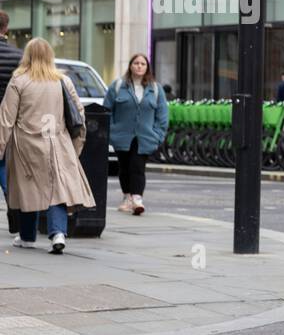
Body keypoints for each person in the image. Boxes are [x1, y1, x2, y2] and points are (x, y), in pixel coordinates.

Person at [0, 39, 96, 253]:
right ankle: (58, 233)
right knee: (57, 189)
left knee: (28, 189)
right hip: (57, 141)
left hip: (26, 142)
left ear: (28, 56)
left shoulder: (19, 81)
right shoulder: (63, 80)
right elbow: (79, 114)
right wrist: (76, 145)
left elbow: (6, 118)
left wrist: (0, 146)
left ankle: (27, 237)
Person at [105, 53, 169, 216]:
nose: (139, 66)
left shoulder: (155, 89)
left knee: (137, 167)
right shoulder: (118, 86)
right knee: (124, 167)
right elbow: (107, 110)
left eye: (143, 64)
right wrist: (111, 131)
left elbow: (162, 115)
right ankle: (127, 196)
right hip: (121, 135)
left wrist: (158, 135)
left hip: (145, 137)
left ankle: (137, 199)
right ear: (130, 66)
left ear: (147, 67)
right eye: (136, 63)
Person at [0, 11, 21, 228]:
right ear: (6, 28)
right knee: (6, 169)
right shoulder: (18, 56)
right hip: (8, 119)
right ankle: (15, 218)